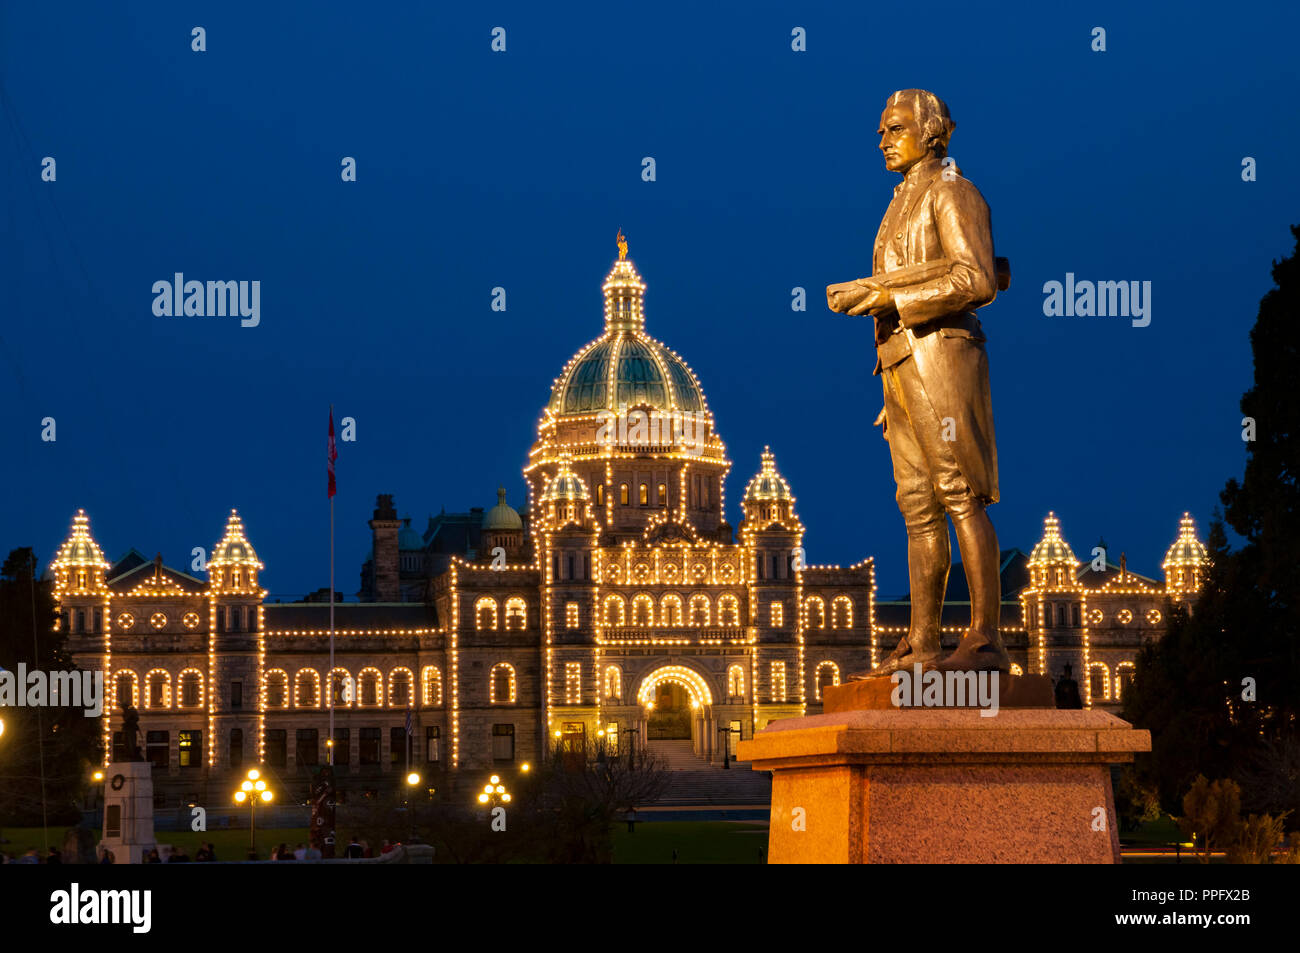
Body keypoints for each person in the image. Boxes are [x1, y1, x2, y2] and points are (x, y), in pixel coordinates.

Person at [829, 89, 1008, 676]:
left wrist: (885, 294)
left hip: (942, 360)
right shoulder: (898, 203)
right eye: (882, 129)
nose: (883, 139)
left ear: (932, 134)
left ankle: (984, 637)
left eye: (895, 128)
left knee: (959, 493)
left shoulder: (952, 192)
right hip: (899, 368)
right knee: (917, 506)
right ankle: (923, 641)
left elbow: (977, 278)